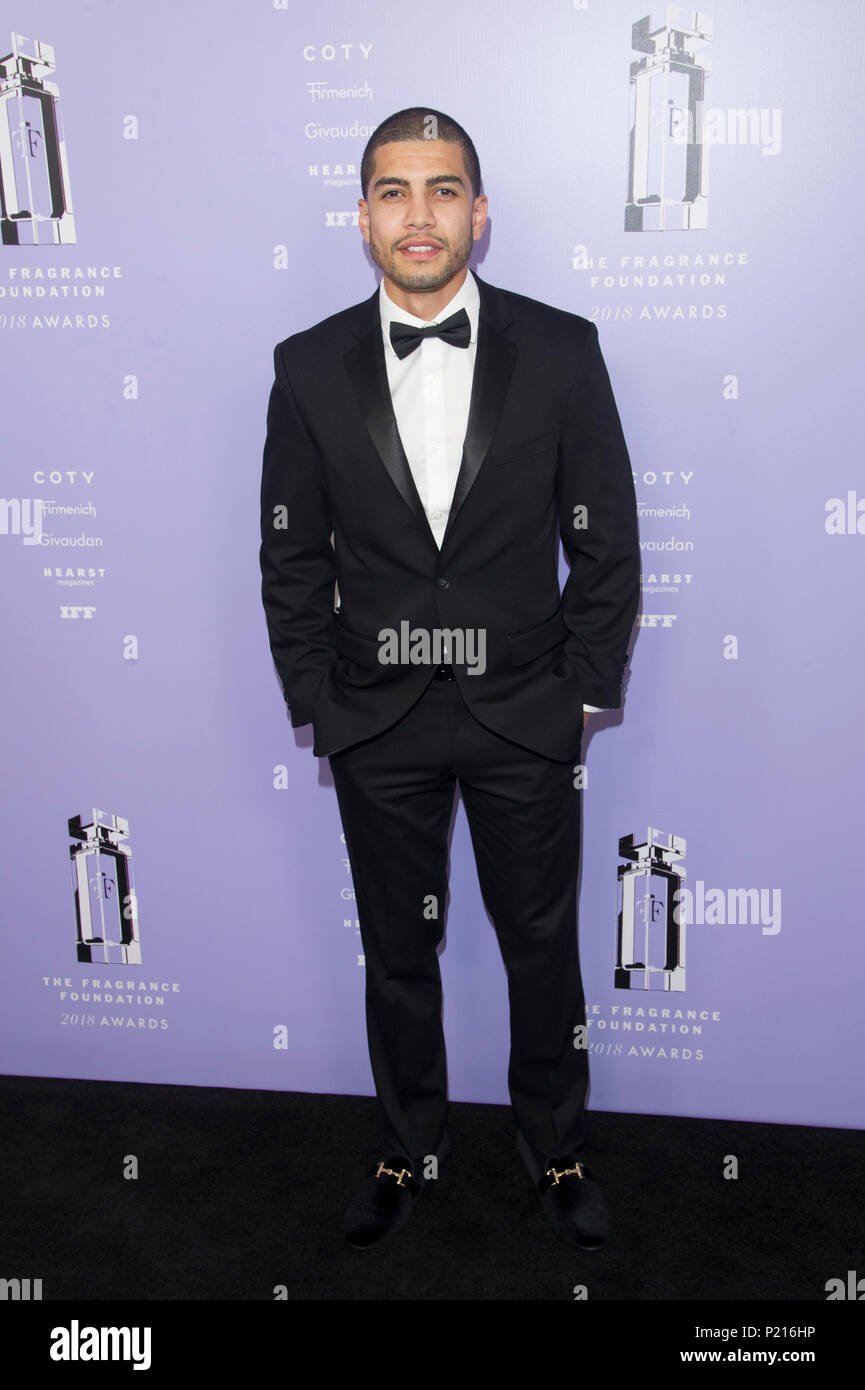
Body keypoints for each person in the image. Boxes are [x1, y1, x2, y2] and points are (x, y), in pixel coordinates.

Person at [259, 107, 639, 1251]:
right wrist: (321, 703)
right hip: (378, 719)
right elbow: (287, 555)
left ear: (479, 212)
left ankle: (555, 1146)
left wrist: (577, 693)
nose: (416, 214)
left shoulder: (561, 349)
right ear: (362, 217)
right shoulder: (306, 364)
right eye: (392, 191)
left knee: (542, 947)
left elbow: (608, 541)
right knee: (396, 952)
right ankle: (402, 1142)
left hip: (523, 713)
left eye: (441, 190)